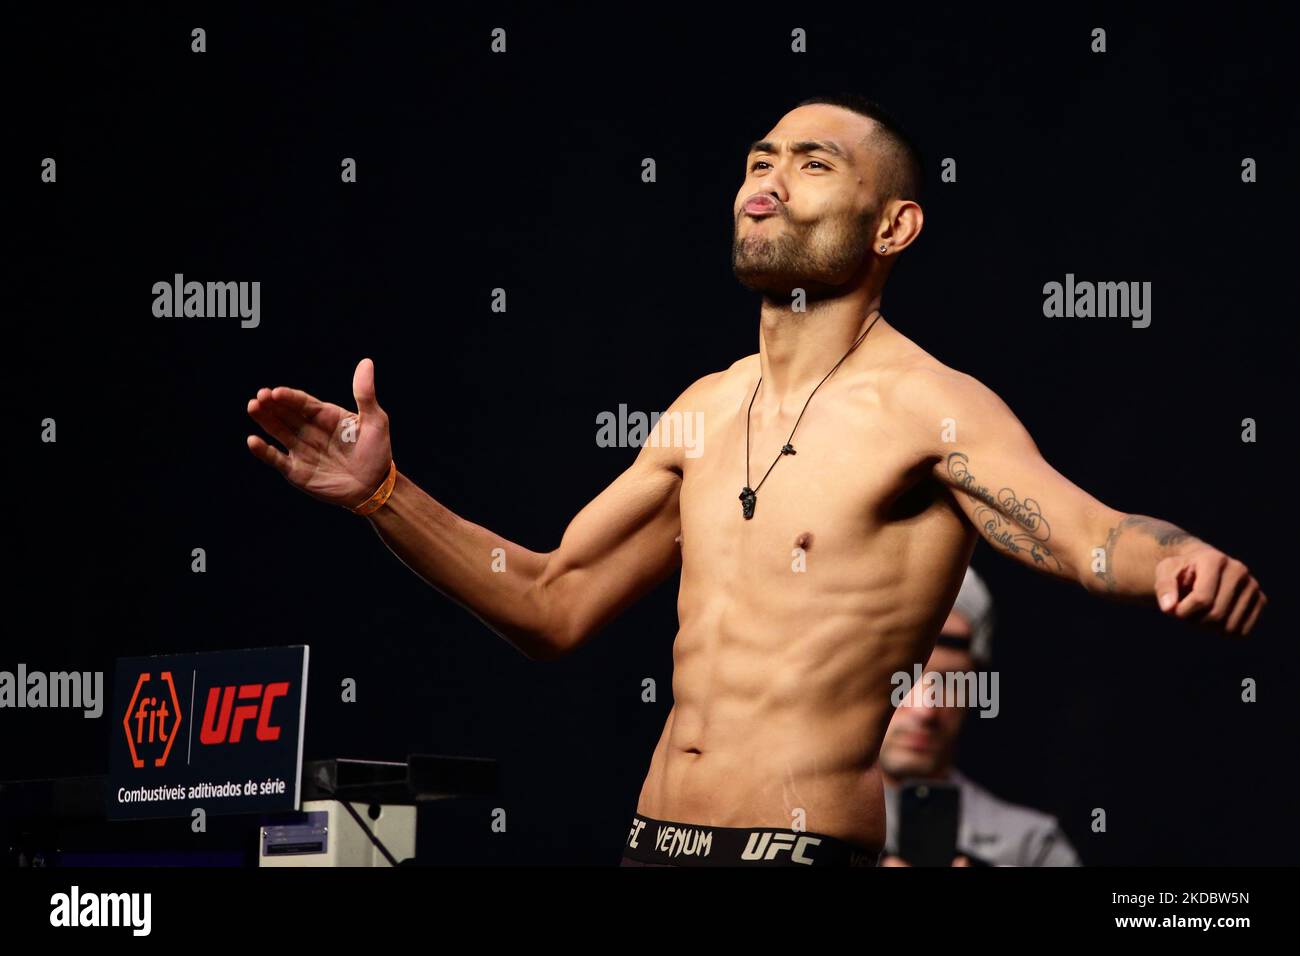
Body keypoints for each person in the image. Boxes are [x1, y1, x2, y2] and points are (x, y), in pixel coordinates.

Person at [244, 93, 1266, 867]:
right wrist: (385, 494)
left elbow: (1088, 531)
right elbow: (551, 601)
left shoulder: (928, 406)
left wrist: (1174, 559)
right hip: (651, 836)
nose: (767, 180)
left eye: (812, 165)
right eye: (759, 160)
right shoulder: (705, 406)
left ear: (892, 227)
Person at [878, 566, 1081, 867]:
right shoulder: (803, 819)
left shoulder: (1030, 848)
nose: (925, 709)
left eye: (950, 682)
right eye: (904, 678)